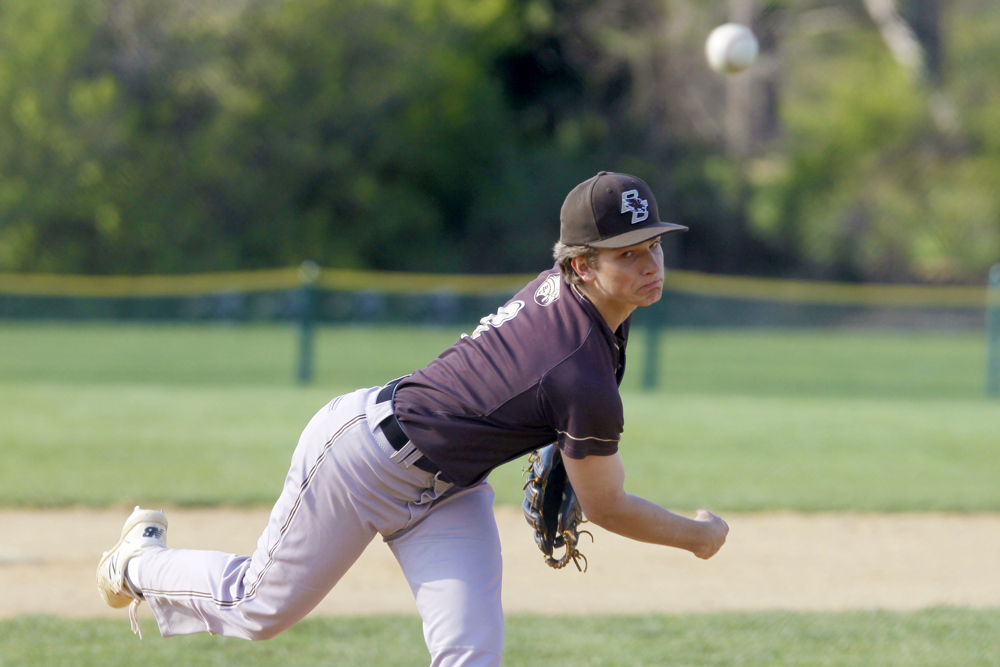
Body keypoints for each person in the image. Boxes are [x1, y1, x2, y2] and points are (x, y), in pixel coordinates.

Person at [97, 171, 729, 665]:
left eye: (653, 246)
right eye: (627, 254)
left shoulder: (566, 299)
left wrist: (547, 440)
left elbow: (522, 387)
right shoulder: (579, 366)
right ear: (581, 265)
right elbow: (608, 504)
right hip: (360, 460)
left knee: (472, 655)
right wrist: (697, 537)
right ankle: (137, 560)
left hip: (450, 490)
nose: (650, 265)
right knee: (259, 609)